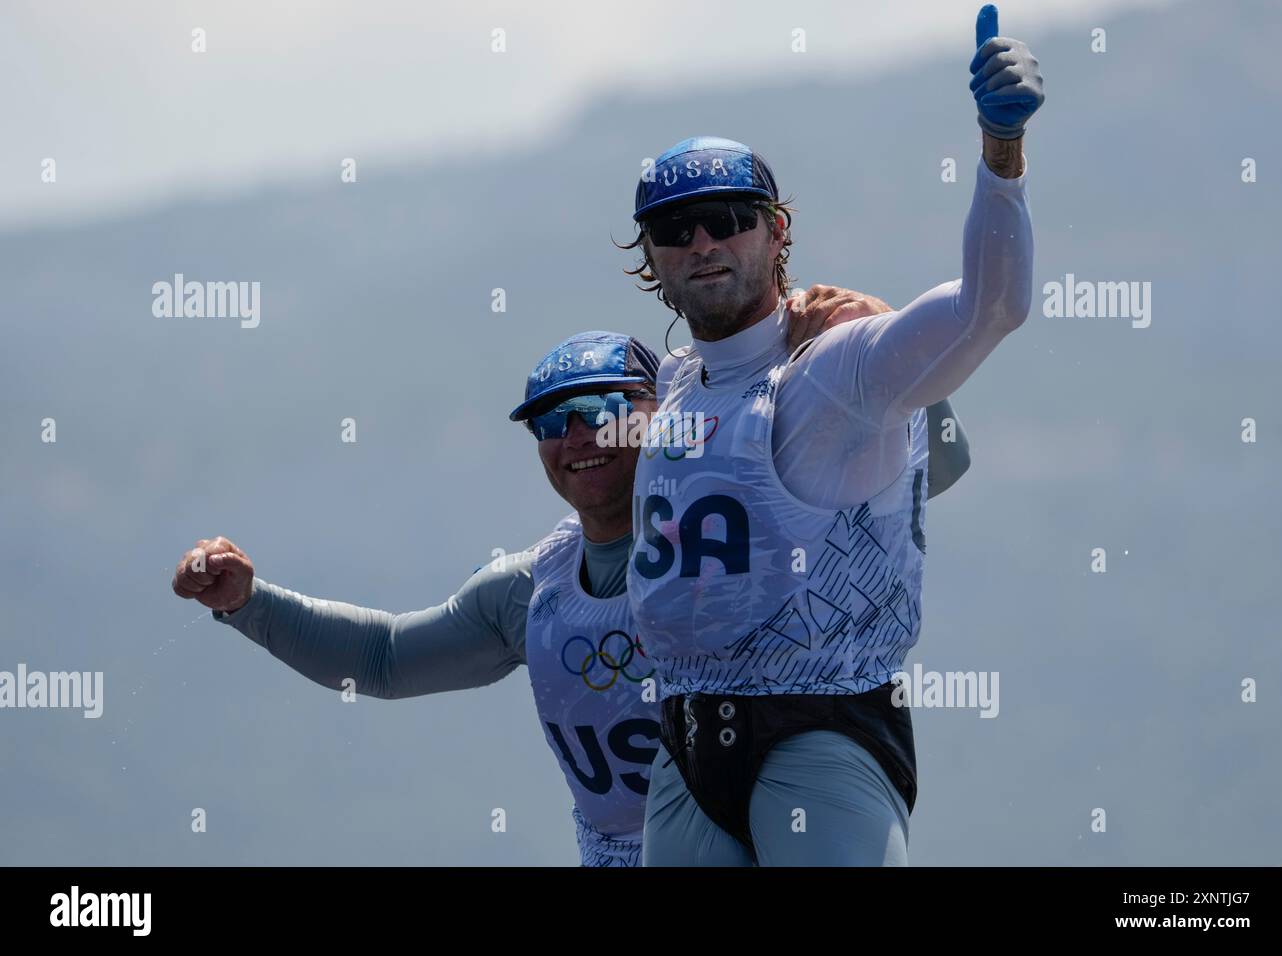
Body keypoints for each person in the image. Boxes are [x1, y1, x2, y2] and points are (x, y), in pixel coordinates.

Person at [169, 287, 963, 866]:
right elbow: (381, 659)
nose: (578, 436)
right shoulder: (531, 590)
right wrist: (247, 603)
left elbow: (943, 457)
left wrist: (873, 326)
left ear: (667, 412)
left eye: (604, 408)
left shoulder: (770, 500)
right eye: (551, 421)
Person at [624, 4, 1043, 865]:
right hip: (685, 734)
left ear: (777, 232)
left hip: (822, 728)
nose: (703, 241)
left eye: (729, 217)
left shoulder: (835, 368)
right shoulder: (670, 387)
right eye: (675, 228)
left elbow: (988, 310)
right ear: (651, 259)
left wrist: (1001, 157)